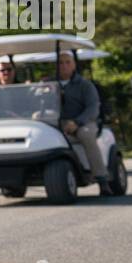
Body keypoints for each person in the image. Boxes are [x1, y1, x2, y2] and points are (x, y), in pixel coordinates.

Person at [57, 49, 108, 190]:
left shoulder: (84, 85)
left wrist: (77, 122)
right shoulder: (50, 84)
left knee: (86, 135)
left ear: (73, 65)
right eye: (60, 63)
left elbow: (93, 108)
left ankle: (101, 177)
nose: (64, 65)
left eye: (68, 62)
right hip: (58, 122)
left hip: (83, 122)